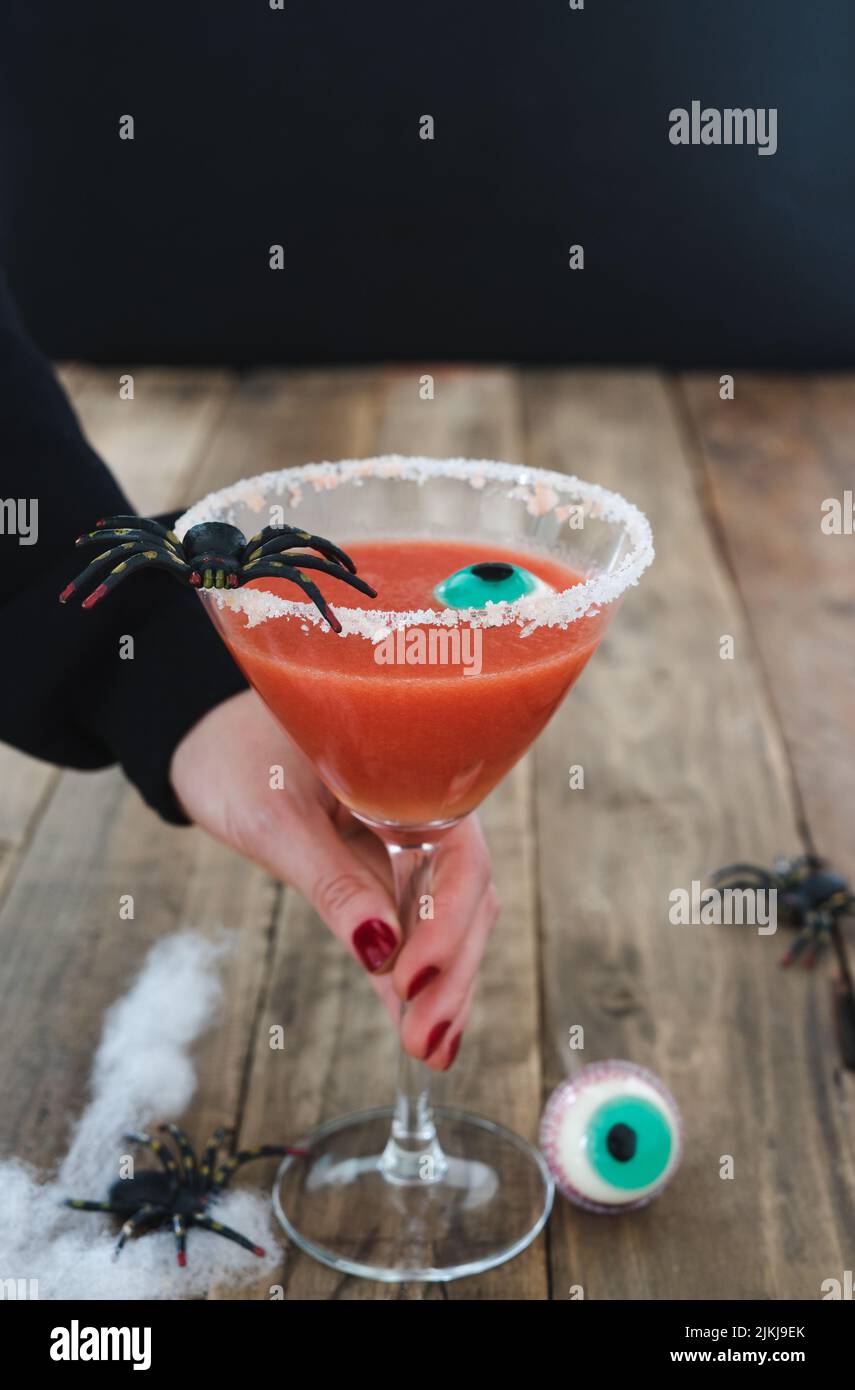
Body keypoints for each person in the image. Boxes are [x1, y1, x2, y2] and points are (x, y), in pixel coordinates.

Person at [0, 273, 498, 1071]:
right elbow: (100, 562)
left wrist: (181, 677)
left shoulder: (278, 559)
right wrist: (154, 648)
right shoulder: (155, 560)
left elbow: (304, 561)